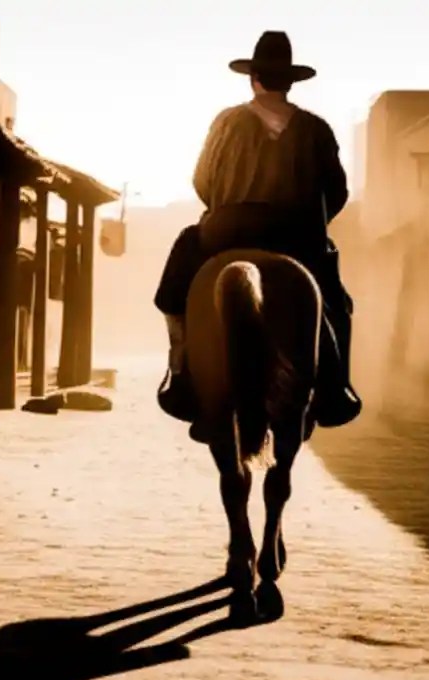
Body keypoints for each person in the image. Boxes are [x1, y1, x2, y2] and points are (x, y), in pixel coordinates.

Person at [154, 30, 362, 430]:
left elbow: (201, 181)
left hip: (227, 230)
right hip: (297, 236)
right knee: (336, 304)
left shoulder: (227, 121)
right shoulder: (316, 129)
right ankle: (336, 389)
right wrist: (309, 224)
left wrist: (226, 207)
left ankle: (180, 371)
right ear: (289, 82)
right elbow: (336, 192)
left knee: (175, 289)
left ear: (254, 79)